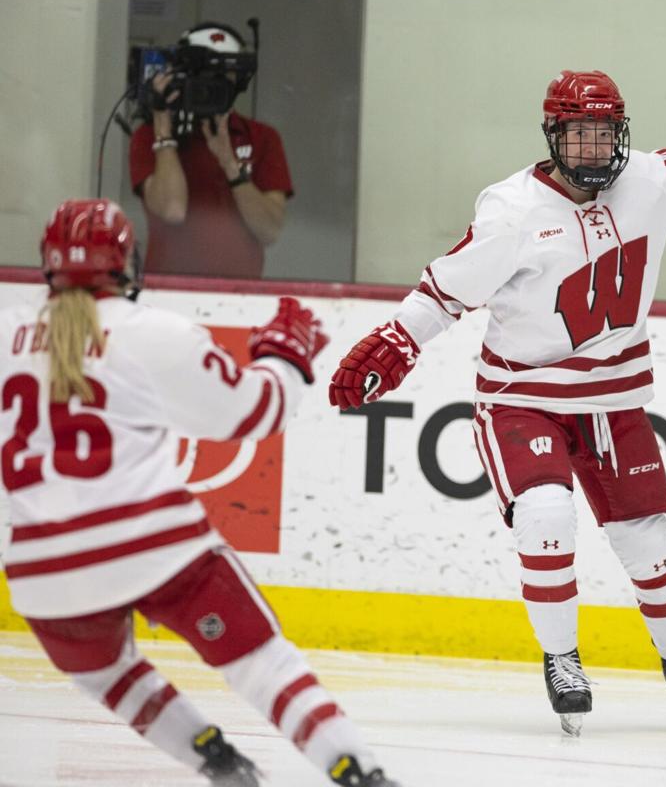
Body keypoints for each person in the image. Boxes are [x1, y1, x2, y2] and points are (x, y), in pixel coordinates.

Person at [328, 54, 666, 735]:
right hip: (521, 396)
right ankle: (562, 659)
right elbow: (446, 290)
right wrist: (396, 341)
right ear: (553, 136)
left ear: (619, 132)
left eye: (604, 131)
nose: (593, 147)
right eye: (578, 133)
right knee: (547, 511)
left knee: (650, 538)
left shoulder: (646, 181)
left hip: (613, 402)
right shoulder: (512, 211)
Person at [0, 199, 400, 786]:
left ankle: (214, 760)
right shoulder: (150, 332)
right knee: (262, 666)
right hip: (156, 549)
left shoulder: (6, 329)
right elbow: (255, 413)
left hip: (42, 572)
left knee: (105, 673)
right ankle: (360, 773)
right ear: (126, 262)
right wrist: (285, 357)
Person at [129, 22, 292, 279]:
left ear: (237, 82)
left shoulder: (263, 138)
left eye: (222, 78)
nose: (211, 87)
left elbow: (269, 231)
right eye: (203, 78)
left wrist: (229, 162)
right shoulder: (148, 136)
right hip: (167, 295)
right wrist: (163, 131)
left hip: (241, 296)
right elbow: (172, 209)